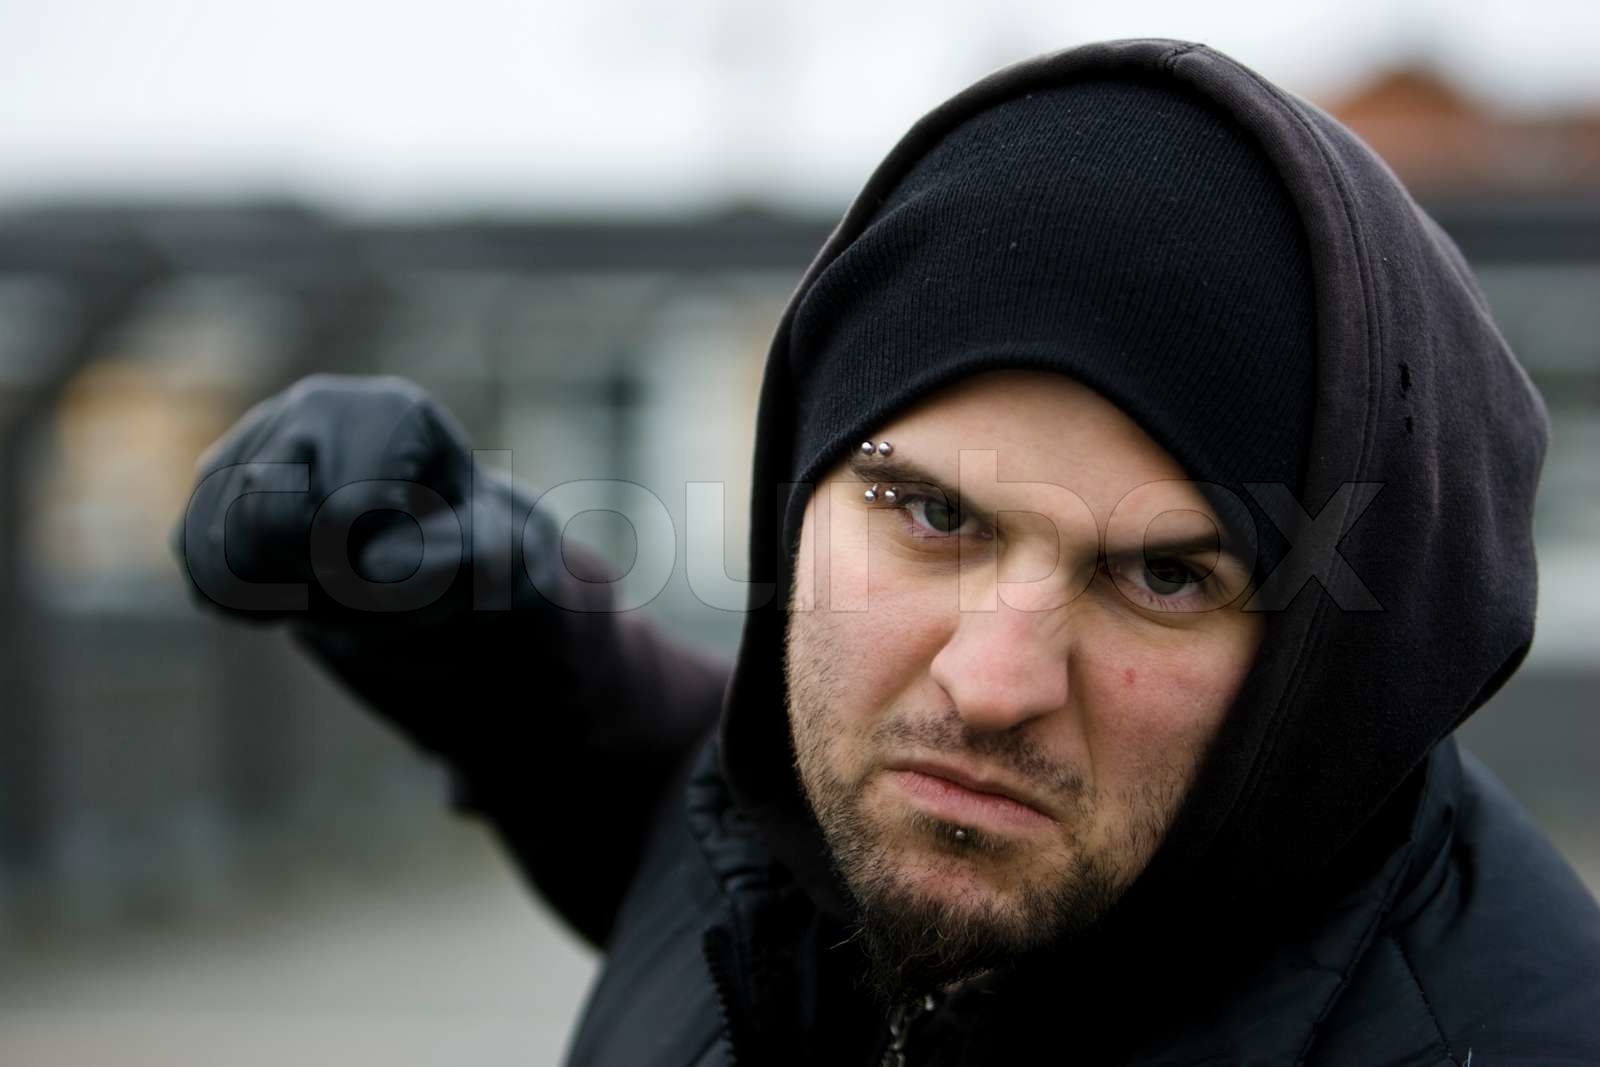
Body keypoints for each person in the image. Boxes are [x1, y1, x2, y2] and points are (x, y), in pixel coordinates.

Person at [173, 38, 1600, 1065]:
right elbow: (705, 821)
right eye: (928, 514)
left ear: (1337, 672)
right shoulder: (846, 838)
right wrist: (463, 608)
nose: (987, 684)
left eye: (1164, 575)